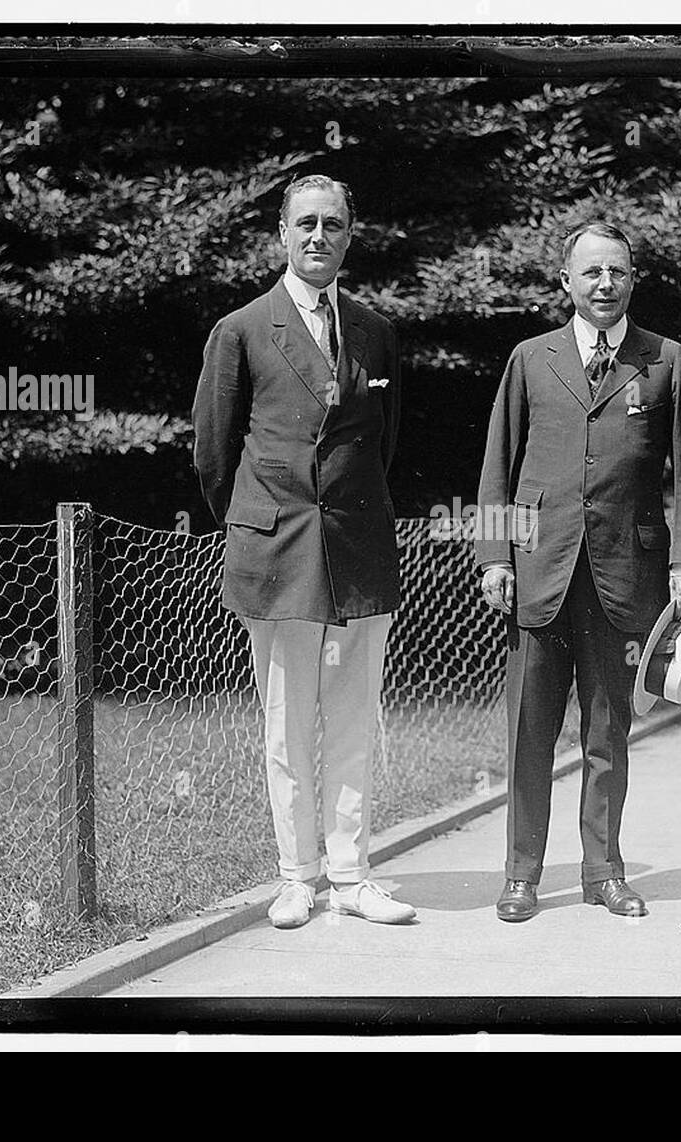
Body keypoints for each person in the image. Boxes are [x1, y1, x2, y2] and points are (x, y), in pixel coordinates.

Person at [192, 173, 415, 929]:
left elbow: (381, 448)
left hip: (358, 548)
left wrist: (341, 512)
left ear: (351, 235)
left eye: (333, 224)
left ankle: (351, 876)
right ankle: (297, 877)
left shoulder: (376, 330)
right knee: (286, 722)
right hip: (278, 550)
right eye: (305, 224)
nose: (318, 237)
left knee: (354, 715)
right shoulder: (243, 329)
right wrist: (261, 522)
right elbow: (214, 456)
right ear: (281, 235)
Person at [476, 220, 681, 922]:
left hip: (627, 577)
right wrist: (494, 555)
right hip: (539, 573)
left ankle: (604, 872)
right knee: (529, 734)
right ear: (566, 283)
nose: (604, 284)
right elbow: (499, 465)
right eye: (591, 273)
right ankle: (521, 875)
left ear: (632, 279)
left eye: (617, 272)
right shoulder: (530, 359)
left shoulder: (666, 360)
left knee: (608, 732)